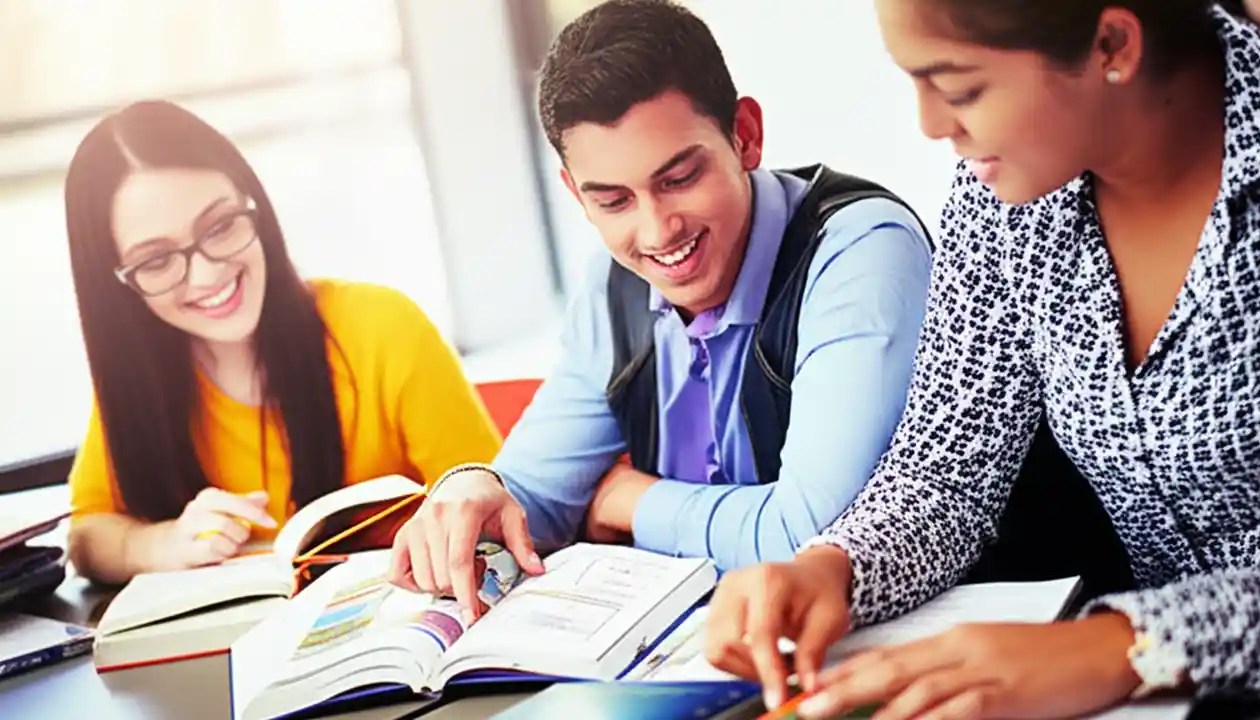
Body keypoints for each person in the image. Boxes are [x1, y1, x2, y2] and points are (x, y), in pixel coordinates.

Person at [704, 2, 1260, 717]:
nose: (930, 123)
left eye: (961, 87)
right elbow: (945, 473)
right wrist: (833, 569)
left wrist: (1126, 645)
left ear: (1111, 44)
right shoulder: (1004, 200)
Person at [389, 0, 933, 624]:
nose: (657, 231)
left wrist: (630, 501)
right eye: (614, 200)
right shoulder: (612, 286)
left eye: (678, 178)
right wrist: (472, 488)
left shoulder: (860, 249)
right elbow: (531, 497)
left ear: (745, 136)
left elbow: (816, 539)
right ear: (576, 195)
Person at [64, 101, 501, 585]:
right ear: (117, 284)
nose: (208, 273)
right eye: (156, 261)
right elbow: (87, 533)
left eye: (221, 226)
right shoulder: (138, 383)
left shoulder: (382, 325)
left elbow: (487, 491)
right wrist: (158, 543)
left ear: (255, 208)